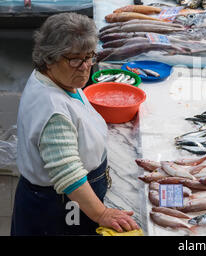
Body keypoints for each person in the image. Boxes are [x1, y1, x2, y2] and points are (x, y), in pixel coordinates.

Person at [11, 13, 140, 236]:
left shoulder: (55, 77)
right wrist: (101, 214)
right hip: (57, 207)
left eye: (89, 56)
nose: (85, 66)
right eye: (75, 59)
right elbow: (68, 174)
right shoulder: (53, 109)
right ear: (49, 59)